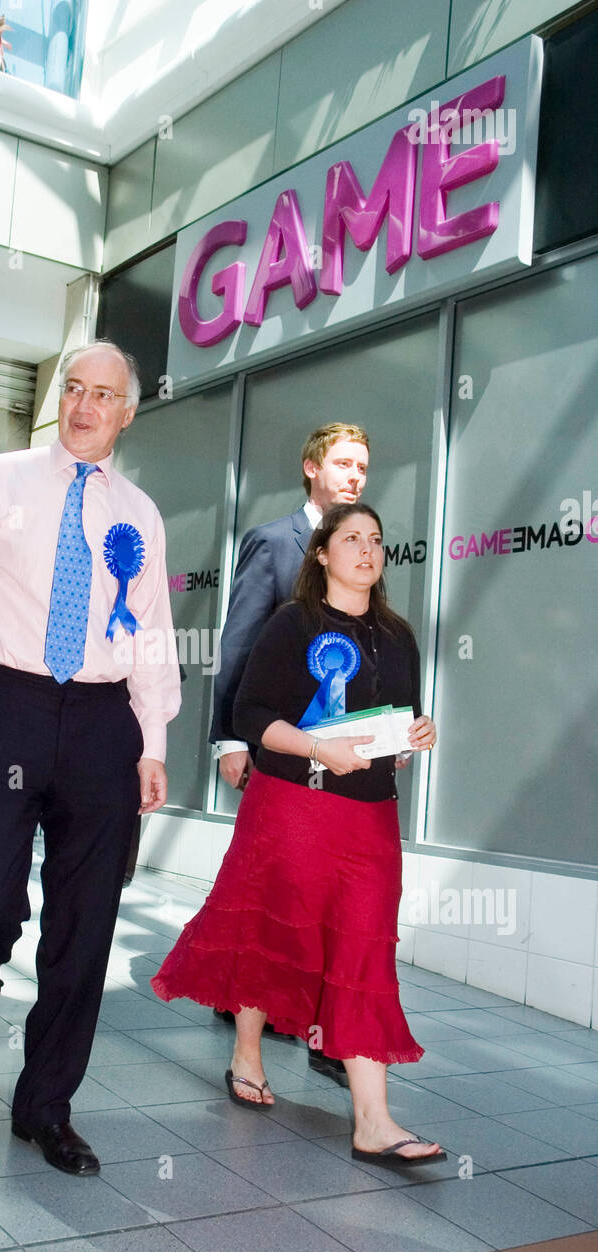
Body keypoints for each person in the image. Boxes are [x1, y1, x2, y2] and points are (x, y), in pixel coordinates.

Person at [0, 340, 181, 1178]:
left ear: (128, 411)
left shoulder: (141, 513)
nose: (87, 406)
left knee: (84, 926)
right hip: (2, 704)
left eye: (105, 395)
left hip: (101, 723)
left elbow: (153, 635)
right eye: (75, 389)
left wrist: (152, 741)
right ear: (62, 398)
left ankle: (45, 1105)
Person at [153, 502, 444, 1166]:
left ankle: (373, 1120)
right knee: (275, 931)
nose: (367, 550)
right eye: (351, 539)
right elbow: (252, 713)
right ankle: (247, 1051)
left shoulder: (397, 634)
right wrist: (315, 748)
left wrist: (413, 738)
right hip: (292, 806)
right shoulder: (292, 624)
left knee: (364, 951)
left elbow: (396, 720)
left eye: (375, 540)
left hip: (370, 816)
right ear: (321, 554)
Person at [210, 422, 370, 1077]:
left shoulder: (359, 550)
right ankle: (246, 1000)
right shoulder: (274, 544)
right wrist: (228, 736)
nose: (354, 476)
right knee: (274, 887)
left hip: (340, 761)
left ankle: (325, 1030)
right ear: (311, 468)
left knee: (335, 890)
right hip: (277, 751)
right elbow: (240, 644)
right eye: (341, 463)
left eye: (362, 466)